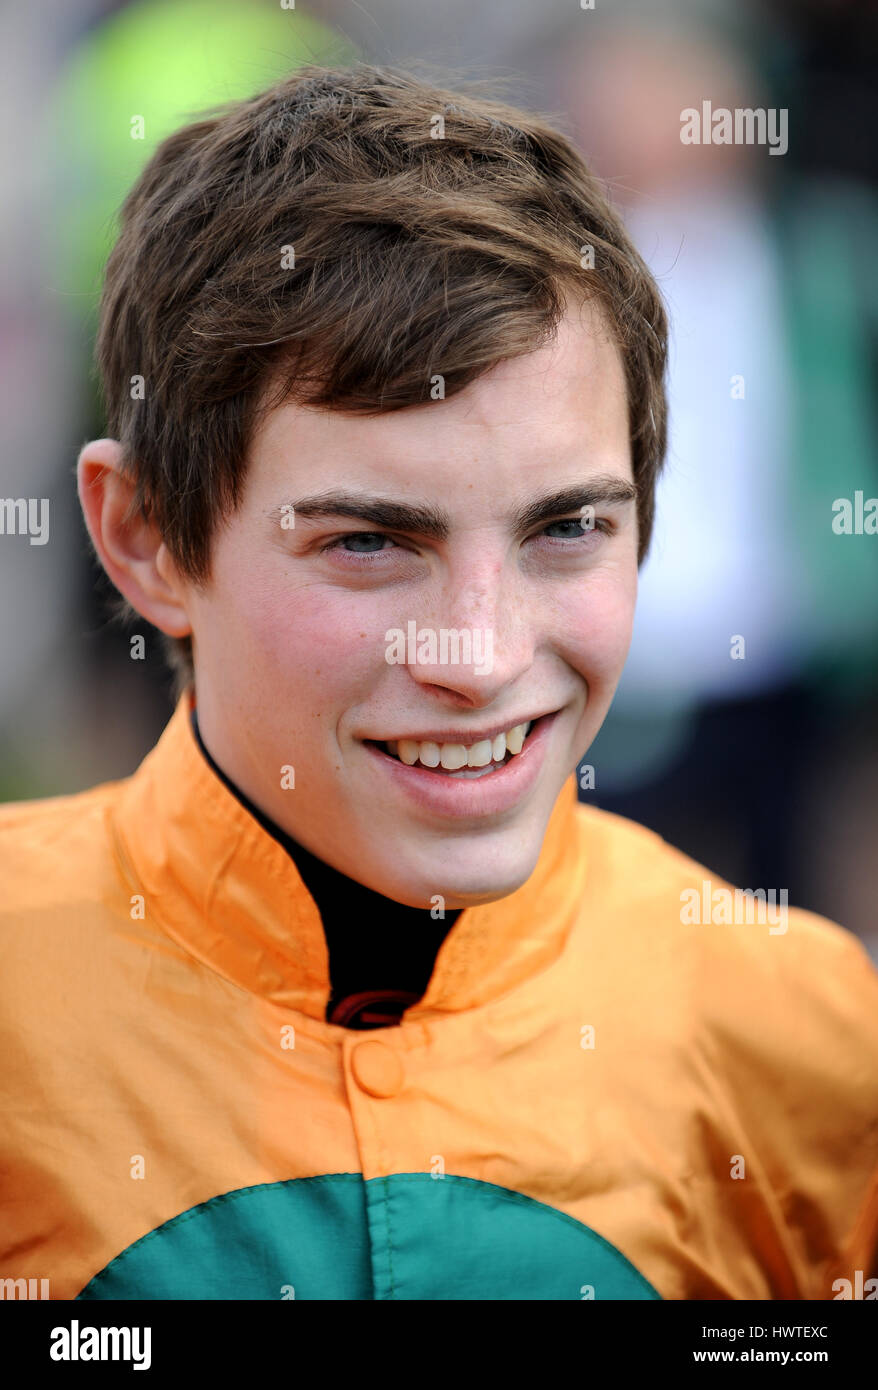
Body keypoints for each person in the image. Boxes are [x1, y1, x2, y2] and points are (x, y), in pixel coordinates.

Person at [1, 63, 876, 1302]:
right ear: (147, 537)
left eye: (565, 527)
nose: (478, 657)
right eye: (367, 543)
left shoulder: (805, 1035)